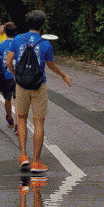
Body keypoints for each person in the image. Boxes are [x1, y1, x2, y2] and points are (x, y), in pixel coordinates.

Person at [6, 10, 71, 174]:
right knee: (38, 123)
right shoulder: (45, 44)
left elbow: (8, 61)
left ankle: (23, 156)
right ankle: (36, 162)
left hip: (21, 85)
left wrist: (16, 74)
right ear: (42, 25)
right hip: (39, 85)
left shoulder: (18, 39)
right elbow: (51, 65)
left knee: (21, 119)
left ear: (27, 23)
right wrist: (63, 75)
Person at [0, 21, 18, 129]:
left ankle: (9, 116)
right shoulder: (20, 45)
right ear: (15, 32)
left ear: (5, 32)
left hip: (5, 77)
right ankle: (18, 125)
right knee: (17, 101)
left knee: (7, 99)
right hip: (18, 77)